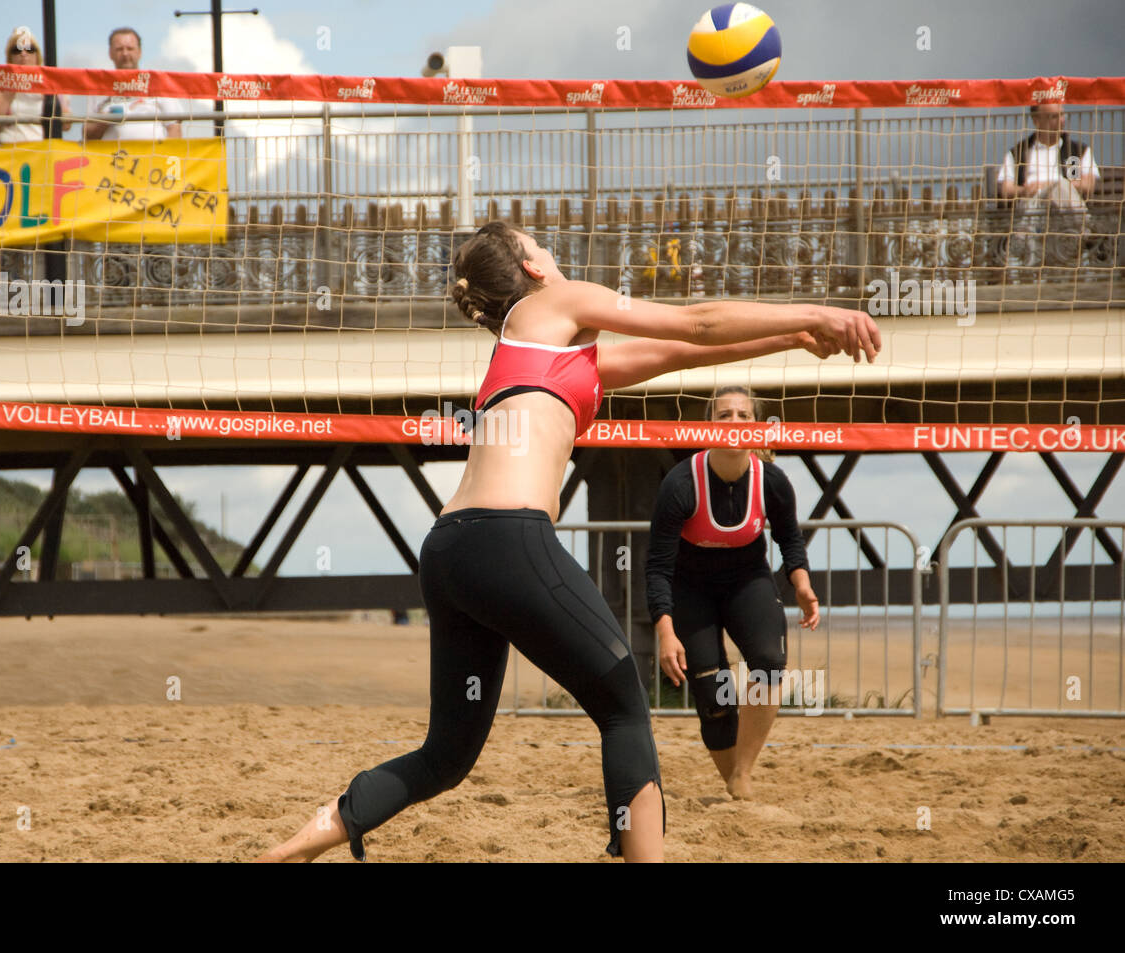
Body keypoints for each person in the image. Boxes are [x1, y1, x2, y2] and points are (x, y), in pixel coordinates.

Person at [258, 221, 879, 863]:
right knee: (624, 710)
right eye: (539, 244)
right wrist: (823, 309)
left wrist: (797, 337)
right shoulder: (551, 302)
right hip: (508, 538)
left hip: (451, 551)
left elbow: (685, 352)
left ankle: (300, 845)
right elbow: (694, 322)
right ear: (529, 267)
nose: (551, 252)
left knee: (446, 756)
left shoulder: (542, 348)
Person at [646, 386, 818, 801]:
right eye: (725, 415)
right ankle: (735, 785)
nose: (735, 423)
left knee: (769, 662)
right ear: (709, 426)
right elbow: (658, 567)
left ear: (757, 426)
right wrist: (665, 631)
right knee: (713, 693)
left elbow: (790, 540)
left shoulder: (772, 481)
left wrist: (802, 584)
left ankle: (742, 775)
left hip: (747, 581)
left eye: (744, 415)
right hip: (691, 589)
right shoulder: (681, 483)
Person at [83, 28, 182, 142]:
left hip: (153, 156)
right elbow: (87, 135)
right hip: (113, 157)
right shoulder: (98, 89)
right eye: (119, 49)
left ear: (139, 52)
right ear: (110, 53)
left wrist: (170, 157)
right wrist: (106, 120)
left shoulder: (158, 83)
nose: (125, 54)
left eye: (130, 48)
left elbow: (174, 128)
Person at [996, 103, 1099, 212]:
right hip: (1033, 203)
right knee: (1058, 191)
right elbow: (1005, 189)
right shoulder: (1018, 153)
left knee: (1061, 189)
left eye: (1062, 115)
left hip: (1065, 201)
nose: (1061, 121)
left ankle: (1077, 224)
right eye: (1054, 117)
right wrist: (1024, 191)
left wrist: (1052, 185)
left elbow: (1088, 185)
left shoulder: (1076, 152)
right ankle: (1083, 225)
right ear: (1037, 121)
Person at [0, 26, 72, 143]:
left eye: (29, 49)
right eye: (17, 49)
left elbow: (66, 125)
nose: (23, 53)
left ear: (38, 55)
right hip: (8, 153)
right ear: (9, 56)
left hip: (43, 152)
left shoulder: (51, 83)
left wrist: (44, 87)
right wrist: (10, 88)